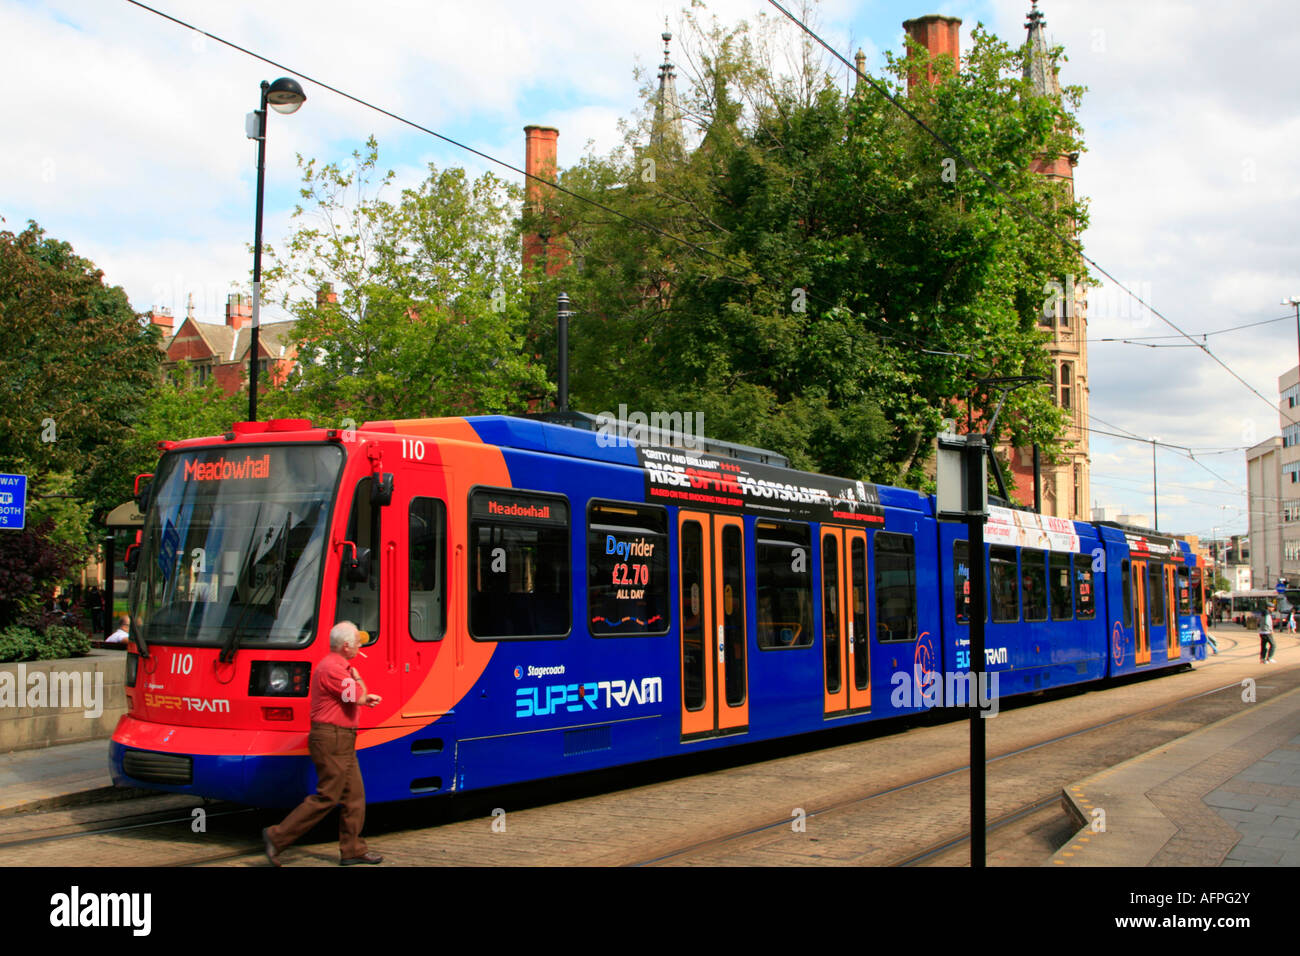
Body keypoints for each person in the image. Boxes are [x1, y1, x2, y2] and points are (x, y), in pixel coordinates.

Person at [263, 621, 383, 866]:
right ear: (346, 646)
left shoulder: (339, 666)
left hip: (342, 738)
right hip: (333, 737)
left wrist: (358, 686)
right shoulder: (333, 668)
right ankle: (277, 836)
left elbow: (355, 697)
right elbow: (354, 697)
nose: (361, 645)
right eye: (358, 642)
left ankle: (353, 850)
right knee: (328, 796)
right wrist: (359, 681)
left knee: (355, 796)